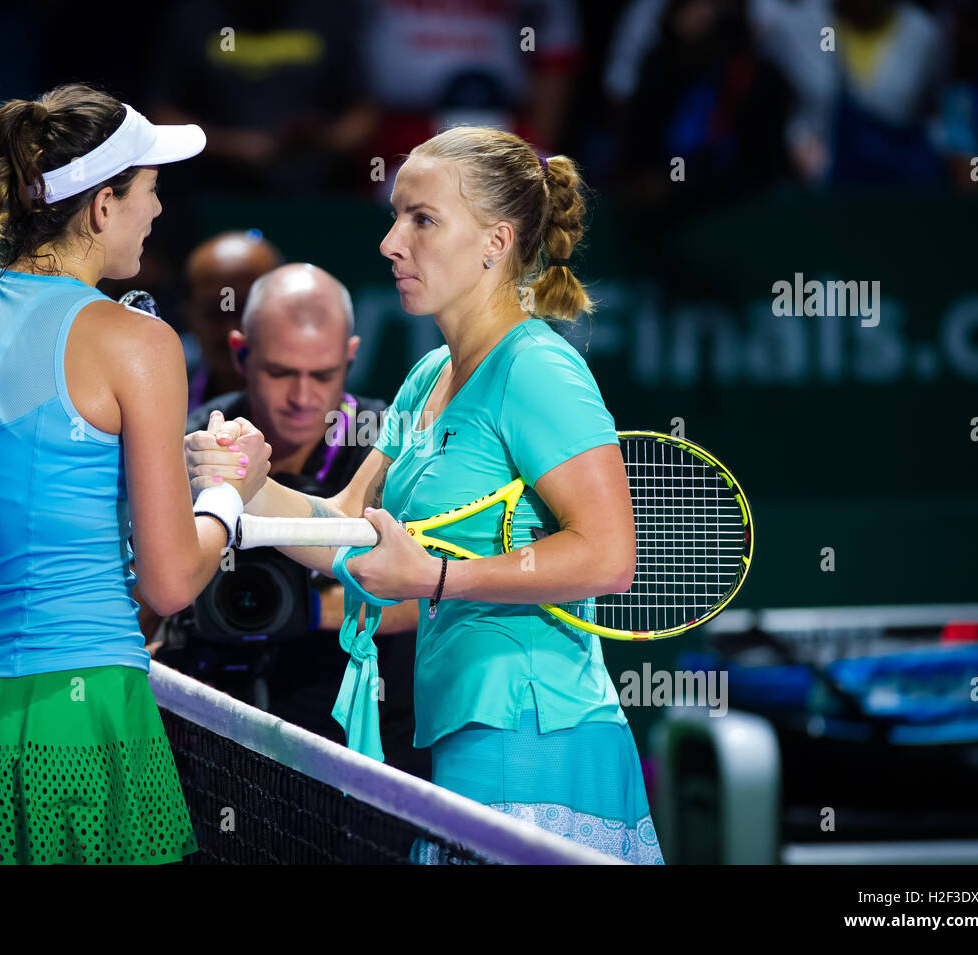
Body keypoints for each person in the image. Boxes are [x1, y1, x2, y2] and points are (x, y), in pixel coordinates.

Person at [186, 126, 664, 863]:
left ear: (495, 242)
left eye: (422, 219)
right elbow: (348, 522)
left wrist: (437, 577)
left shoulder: (540, 369)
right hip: (464, 731)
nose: (390, 243)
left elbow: (609, 555)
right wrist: (250, 484)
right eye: (394, 216)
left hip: (538, 734)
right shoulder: (427, 376)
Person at [0, 82, 271, 864]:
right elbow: (171, 582)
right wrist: (227, 493)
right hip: (77, 717)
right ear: (102, 205)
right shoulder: (137, 344)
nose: (157, 212)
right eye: (149, 191)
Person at [150, 262, 428, 778]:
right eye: (281, 372)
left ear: (350, 356)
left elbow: (430, 588)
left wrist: (302, 608)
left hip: (369, 756)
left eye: (323, 375)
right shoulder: (192, 445)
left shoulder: (395, 448)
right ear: (241, 353)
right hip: (213, 746)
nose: (303, 397)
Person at [179, 231, 283, 411]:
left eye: (246, 311)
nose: (231, 330)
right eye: (215, 313)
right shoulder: (160, 378)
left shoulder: (331, 379)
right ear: (189, 313)